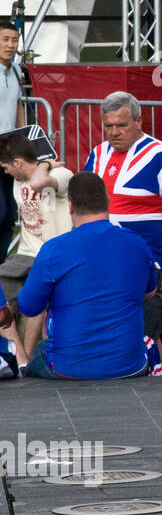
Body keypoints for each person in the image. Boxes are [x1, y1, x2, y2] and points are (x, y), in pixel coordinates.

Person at [17, 172, 161, 379]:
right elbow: (150, 292)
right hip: (128, 366)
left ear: (70, 207)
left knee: (38, 352)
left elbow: (28, 307)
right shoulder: (137, 243)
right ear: (107, 201)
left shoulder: (53, 250)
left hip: (67, 367)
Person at [84, 91, 162, 365]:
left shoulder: (161, 157)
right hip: (102, 264)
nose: (114, 132)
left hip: (149, 265)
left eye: (121, 125)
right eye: (108, 126)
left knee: (150, 333)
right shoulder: (97, 155)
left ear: (139, 121)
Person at [0, 133, 73, 362]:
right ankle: (17, 360)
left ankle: (28, 359)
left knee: (36, 290)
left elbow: (39, 183)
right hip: (25, 255)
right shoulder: (17, 181)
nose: (5, 172)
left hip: (54, 255)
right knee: (2, 297)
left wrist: (44, 163)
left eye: (6, 167)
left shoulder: (60, 173)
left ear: (18, 163)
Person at [0, 21, 26, 249]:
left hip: (10, 150)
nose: (10, 45)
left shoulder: (16, 70)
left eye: (14, 40)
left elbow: (18, 106)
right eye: (5, 40)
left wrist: (23, 138)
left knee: (10, 212)